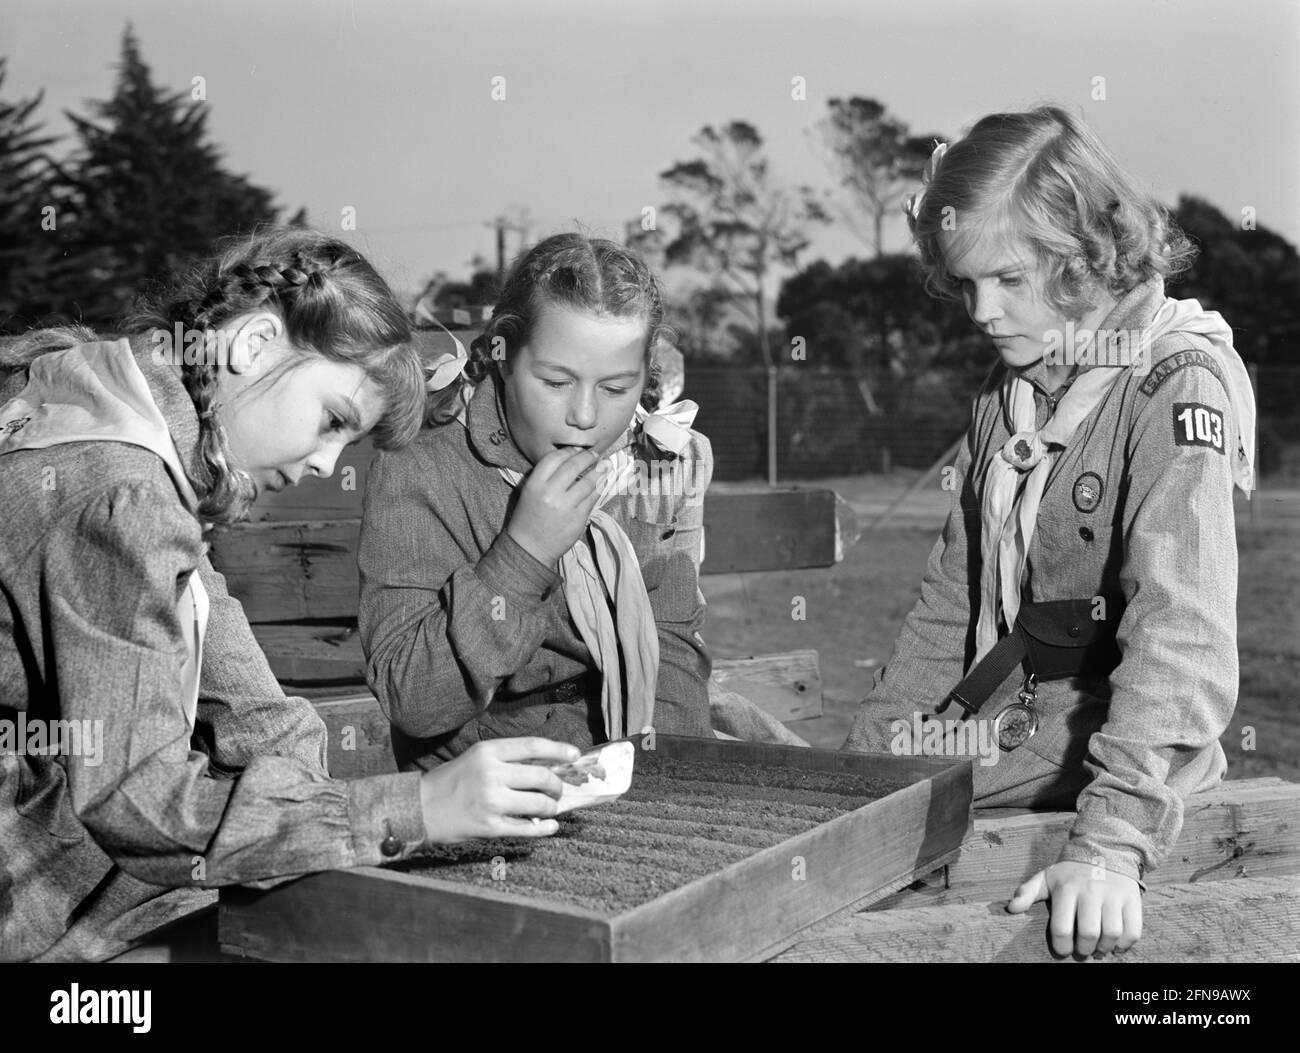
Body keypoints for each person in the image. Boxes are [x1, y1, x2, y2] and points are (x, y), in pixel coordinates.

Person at [0, 228, 577, 963]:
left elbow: (250, 709)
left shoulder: (115, 410)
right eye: (334, 419)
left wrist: (344, 813)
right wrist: (418, 807)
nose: (328, 462)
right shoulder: (119, 490)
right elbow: (139, 802)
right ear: (255, 343)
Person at [843, 107, 1255, 959]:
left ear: (1083, 255)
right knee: (844, 801)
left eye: (1009, 281)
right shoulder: (1008, 390)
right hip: (1010, 709)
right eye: (965, 285)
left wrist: (1109, 846)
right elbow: (950, 597)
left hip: (1120, 734)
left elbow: (1184, 635)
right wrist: (861, 774)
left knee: (900, 833)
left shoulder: (1175, 383)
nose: (982, 313)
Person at [359, 232, 727, 770]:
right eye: (555, 382)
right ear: (503, 357)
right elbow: (413, 699)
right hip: (483, 791)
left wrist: (674, 784)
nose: (584, 415)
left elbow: (669, 642)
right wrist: (524, 554)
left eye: (616, 388)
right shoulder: (422, 467)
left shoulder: (664, 463)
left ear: (648, 375)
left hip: (626, 771)